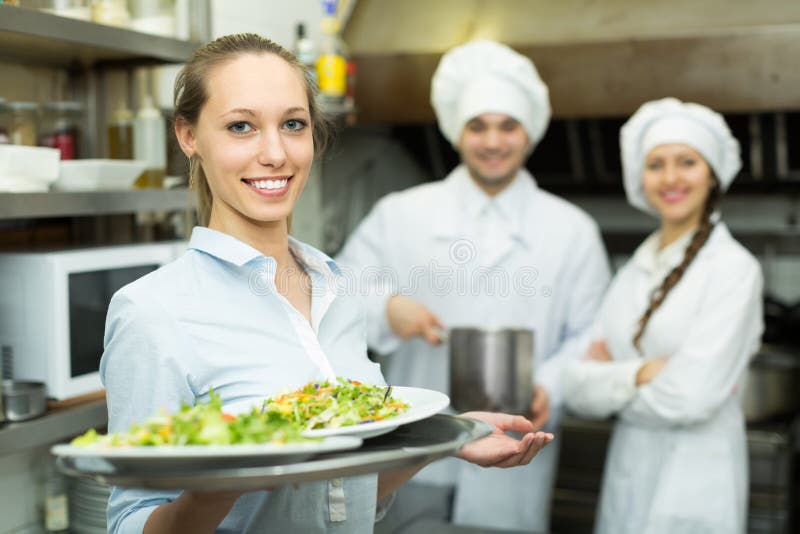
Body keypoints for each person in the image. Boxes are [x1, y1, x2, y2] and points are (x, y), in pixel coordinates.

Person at [100, 34, 554, 534]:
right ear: (188, 136)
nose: (275, 153)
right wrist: (218, 488)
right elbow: (131, 523)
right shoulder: (152, 311)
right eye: (241, 126)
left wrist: (446, 441)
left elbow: (342, 498)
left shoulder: (339, 290)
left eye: (293, 124)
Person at [336, 40, 610, 531]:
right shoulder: (402, 214)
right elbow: (337, 292)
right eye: (477, 126)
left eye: (508, 126)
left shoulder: (571, 231)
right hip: (417, 449)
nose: (492, 141)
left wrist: (552, 384)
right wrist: (387, 307)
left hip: (514, 447)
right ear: (456, 133)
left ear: (529, 133)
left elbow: (592, 337)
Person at [563, 97, 763, 534]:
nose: (671, 177)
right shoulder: (635, 269)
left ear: (711, 174)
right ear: (641, 178)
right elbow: (576, 386)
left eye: (687, 162)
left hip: (696, 479)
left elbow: (689, 398)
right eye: (656, 164)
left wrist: (614, 376)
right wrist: (644, 373)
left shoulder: (734, 269)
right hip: (628, 468)